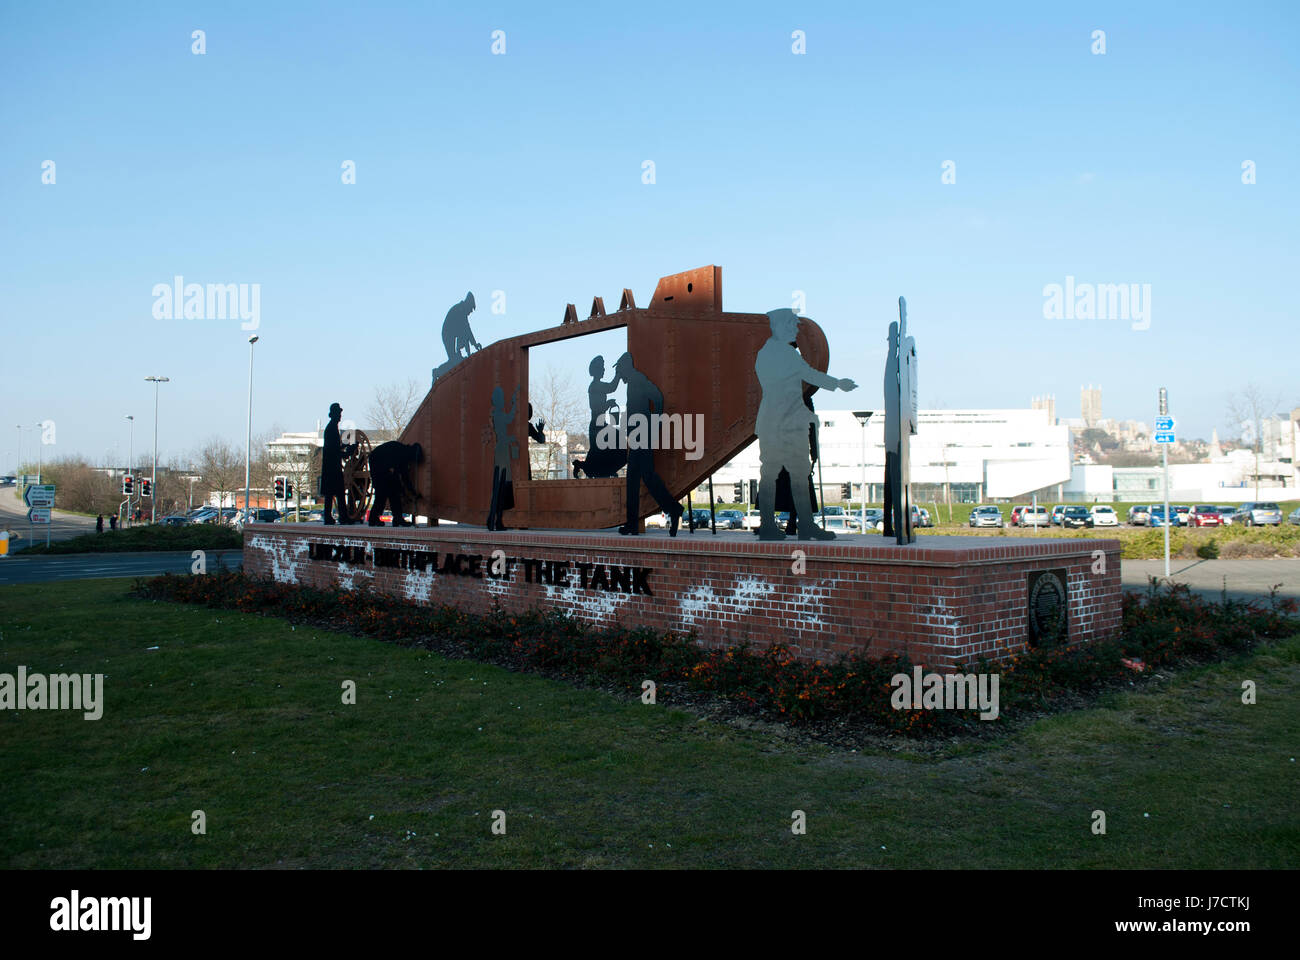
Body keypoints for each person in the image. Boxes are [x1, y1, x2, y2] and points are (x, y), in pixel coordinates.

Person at [754, 309, 856, 540]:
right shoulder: (778, 354)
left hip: (786, 422)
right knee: (772, 473)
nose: (795, 330)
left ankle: (802, 525)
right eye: (791, 326)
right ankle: (771, 525)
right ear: (779, 327)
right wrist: (838, 383)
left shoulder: (776, 353)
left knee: (796, 474)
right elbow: (808, 374)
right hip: (779, 424)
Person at [612, 352, 682, 536]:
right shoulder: (633, 381)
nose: (620, 376)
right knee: (637, 479)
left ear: (626, 367)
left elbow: (658, 397)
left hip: (642, 435)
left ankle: (673, 510)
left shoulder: (638, 379)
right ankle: (636, 524)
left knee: (644, 477)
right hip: (638, 435)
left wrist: (654, 422)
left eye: (620, 371)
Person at [367, 441, 423, 526]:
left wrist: (409, 491)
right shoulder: (403, 455)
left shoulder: (402, 450)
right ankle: (375, 519)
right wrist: (413, 492)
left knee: (392, 492)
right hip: (378, 464)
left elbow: (402, 477)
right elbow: (405, 477)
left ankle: (394, 519)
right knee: (383, 493)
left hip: (378, 462)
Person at [486, 385, 518, 531]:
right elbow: (510, 418)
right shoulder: (498, 414)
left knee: (499, 488)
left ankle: (494, 520)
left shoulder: (496, 414)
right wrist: (515, 403)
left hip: (501, 451)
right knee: (501, 487)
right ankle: (495, 521)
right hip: (503, 452)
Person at [321, 402, 355, 525]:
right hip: (333, 468)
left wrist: (345, 447)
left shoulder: (331, 428)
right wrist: (348, 451)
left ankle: (329, 517)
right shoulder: (331, 429)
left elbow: (334, 448)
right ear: (334, 414)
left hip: (330, 467)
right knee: (338, 492)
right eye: (339, 414)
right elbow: (334, 451)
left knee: (331, 494)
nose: (340, 416)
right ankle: (342, 517)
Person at [441, 291, 480, 363]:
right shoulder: (460, 310)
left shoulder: (462, 311)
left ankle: (458, 355)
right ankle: (438, 371)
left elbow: (467, 331)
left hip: (453, 334)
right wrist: (473, 346)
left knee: (455, 359)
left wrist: (474, 344)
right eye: (471, 309)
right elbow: (466, 331)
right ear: (468, 305)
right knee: (453, 360)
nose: (470, 312)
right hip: (447, 335)